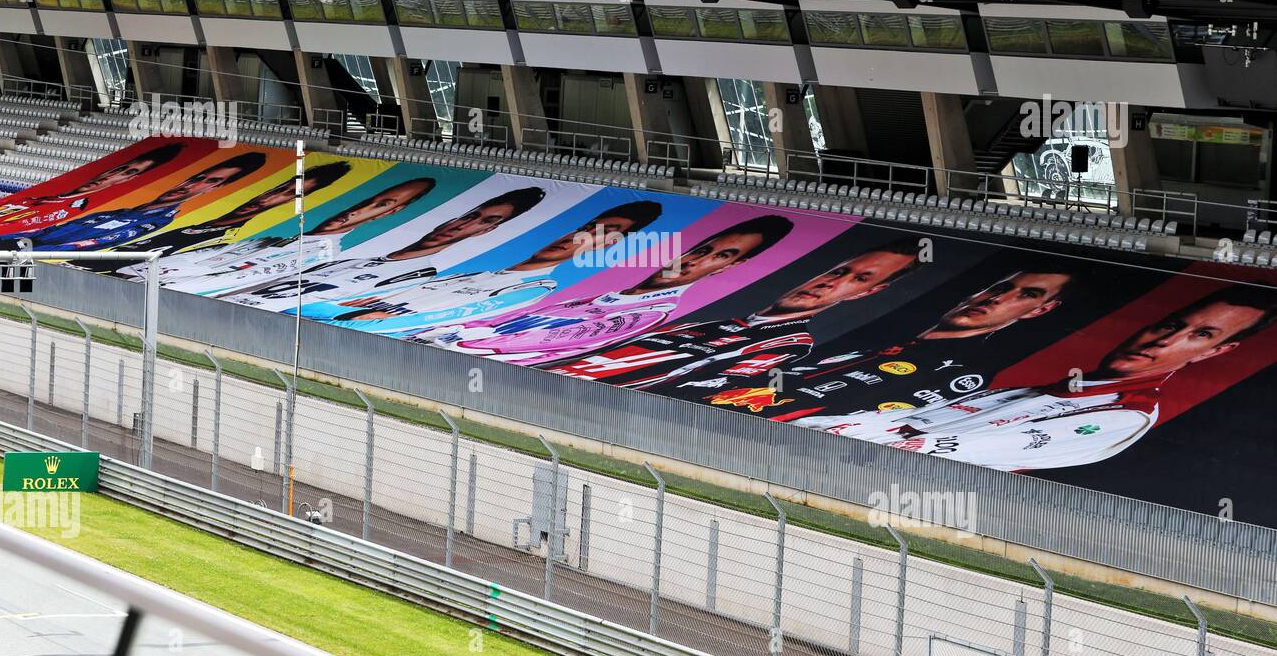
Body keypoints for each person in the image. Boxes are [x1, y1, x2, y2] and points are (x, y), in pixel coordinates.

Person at [803, 285, 1277, 472]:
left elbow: (950, 449)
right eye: (1171, 324)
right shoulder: (1046, 388)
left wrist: (833, 442)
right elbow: (905, 423)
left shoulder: (1123, 414)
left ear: (1217, 352)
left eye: (1201, 335)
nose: (1165, 340)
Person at [545, 239, 924, 390]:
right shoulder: (722, 321)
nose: (832, 282)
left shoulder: (786, 344)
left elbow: (701, 387)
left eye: (858, 279)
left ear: (869, 293)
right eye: (839, 270)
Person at [431, 214, 794, 366]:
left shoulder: (643, 314)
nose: (695, 260)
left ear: (730, 268)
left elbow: (515, 347)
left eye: (721, 256)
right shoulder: (608, 297)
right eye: (702, 249)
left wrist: (451, 339)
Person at [725, 269, 1074, 422]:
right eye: (999, 288)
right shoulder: (870, 333)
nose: (996, 299)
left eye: (1027, 295)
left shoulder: (964, 373)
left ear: (1040, 310)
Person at [324, 200, 664, 336]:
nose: (579, 236)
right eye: (585, 226)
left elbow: (454, 320)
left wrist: (384, 319)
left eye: (598, 233)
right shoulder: (477, 273)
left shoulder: (532, 289)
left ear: (606, 245)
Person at [216, 185, 547, 311]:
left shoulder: (419, 276)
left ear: (488, 232)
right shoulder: (357, 256)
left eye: (485, 221)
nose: (464, 224)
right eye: (471, 214)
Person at [133, 176, 437, 292]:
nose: (360, 208)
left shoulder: (322, 256)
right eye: (369, 199)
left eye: (381, 205)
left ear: (389, 214)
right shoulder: (270, 238)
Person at [0, 151, 269, 252]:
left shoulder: (152, 222)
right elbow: (45, 232)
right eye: (198, 176)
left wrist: (16, 249)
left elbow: (76, 246)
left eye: (210, 182)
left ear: (217, 189)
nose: (193, 184)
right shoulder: (121, 210)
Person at [121, 160, 353, 259]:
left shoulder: (239, 241)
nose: (271, 197)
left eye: (289, 194)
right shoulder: (187, 215)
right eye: (279, 188)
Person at [0, 141, 185, 237]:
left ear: (130, 179)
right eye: (119, 168)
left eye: (127, 173)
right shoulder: (37, 198)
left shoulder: (74, 209)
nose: (112, 175)